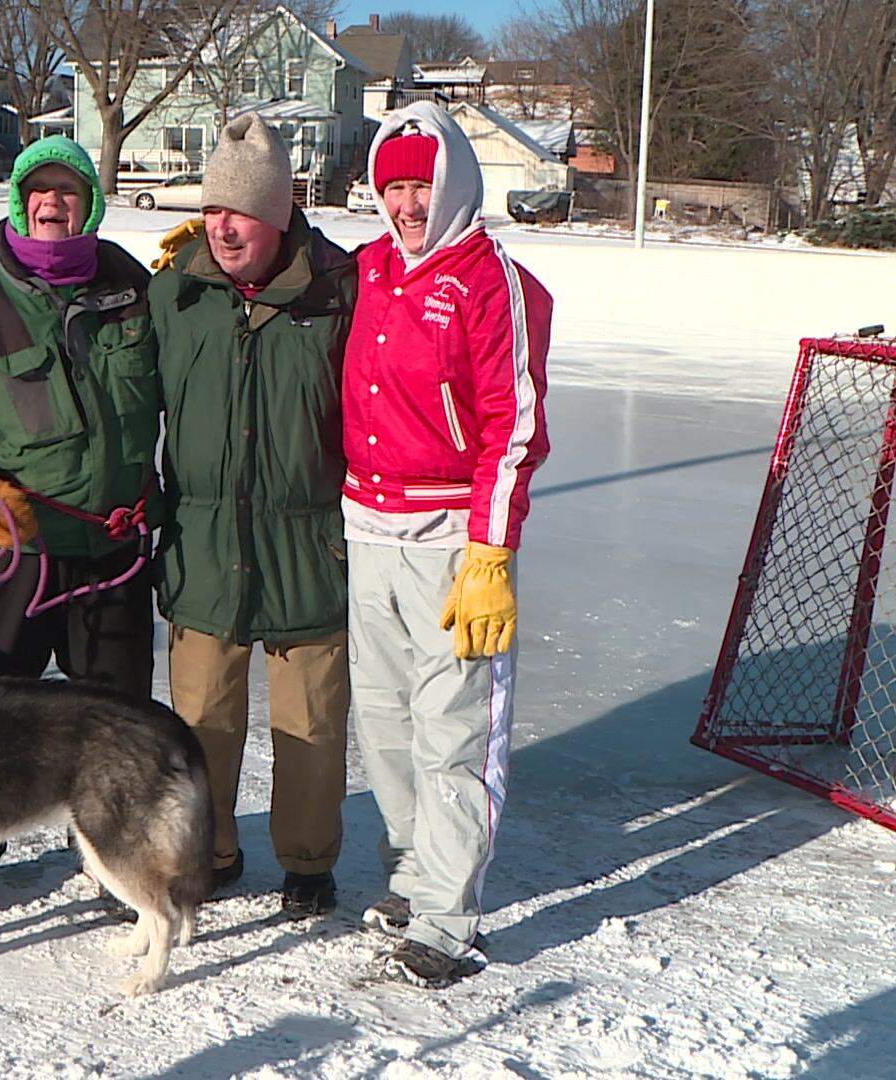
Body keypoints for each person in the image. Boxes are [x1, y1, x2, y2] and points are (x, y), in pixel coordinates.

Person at [0, 136, 161, 913]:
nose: (52, 202)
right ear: (18, 201)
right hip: (9, 553)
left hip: (111, 551)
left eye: (67, 190)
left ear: (91, 203)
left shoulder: (132, 288)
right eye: (37, 190)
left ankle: (114, 852)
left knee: (115, 718)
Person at [342, 101, 552, 987]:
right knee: (385, 722)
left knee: (452, 729)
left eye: (422, 186)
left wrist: (490, 553)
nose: (407, 205)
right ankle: (413, 873)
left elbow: (513, 427)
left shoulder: (491, 281)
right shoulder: (370, 269)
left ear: (455, 184)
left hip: (450, 541)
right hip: (367, 526)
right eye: (393, 188)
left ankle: (447, 915)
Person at [150, 115, 357, 918]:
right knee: (201, 720)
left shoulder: (336, 293)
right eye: (213, 210)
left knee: (311, 726)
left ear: (278, 215)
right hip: (203, 544)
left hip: (308, 544)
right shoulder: (175, 294)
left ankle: (307, 861)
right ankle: (211, 851)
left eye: (241, 212)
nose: (224, 227)